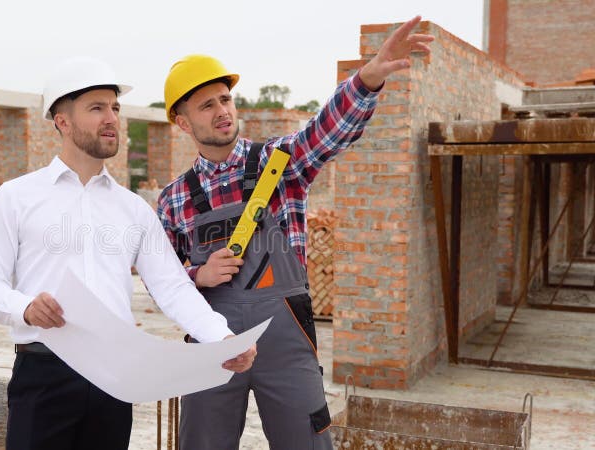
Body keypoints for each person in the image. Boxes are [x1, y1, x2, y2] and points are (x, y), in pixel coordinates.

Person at [157, 16, 433, 450]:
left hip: (286, 339)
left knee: (307, 441)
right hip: (212, 344)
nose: (222, 111)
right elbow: (162, 279)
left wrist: (367, 80)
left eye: (225, 99)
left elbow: (326, 131)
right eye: (207, 105)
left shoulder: (280, 163)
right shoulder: (174, 198)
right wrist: (198, 275)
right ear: (183, 123)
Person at [0, 56, 257, 450]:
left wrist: (221, 337)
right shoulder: (16, 197)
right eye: (96, 108)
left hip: (113, 378)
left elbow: (172, 287)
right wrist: (25, 308)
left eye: (115, 108)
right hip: (44, 374)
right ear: (62, 121)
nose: (111, 118)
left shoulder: (133, 208)